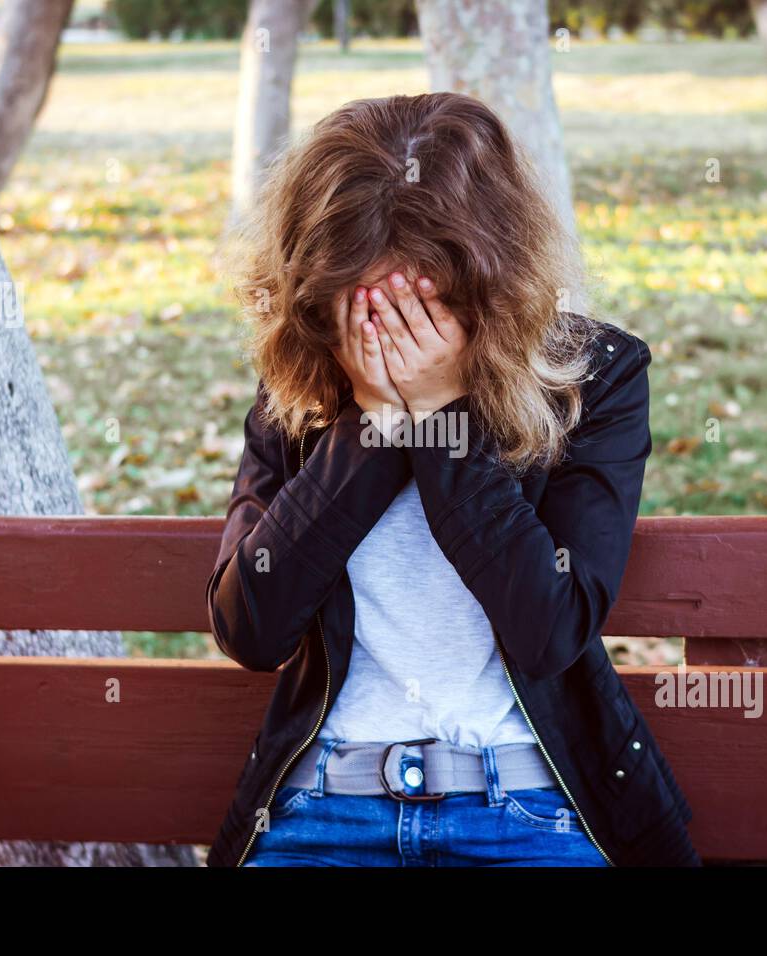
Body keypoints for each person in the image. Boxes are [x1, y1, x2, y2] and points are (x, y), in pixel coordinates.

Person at [205, 92, 698, 867]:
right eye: (369, 306)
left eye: (421, 305)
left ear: (492, 286)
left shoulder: (591, 381)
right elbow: (250, 629)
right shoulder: (300, 395)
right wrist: (368, 430)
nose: (393, 336)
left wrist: (440, 419)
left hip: (533, 810)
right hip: (325, 809)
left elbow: (550, 630)